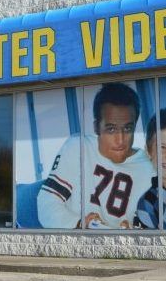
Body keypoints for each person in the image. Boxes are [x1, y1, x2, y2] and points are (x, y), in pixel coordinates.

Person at [37, 83, 153, 229]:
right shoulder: (78, 148)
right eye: (111, 129)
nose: (121, 140)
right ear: (96, 127)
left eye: (127, 128)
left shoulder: (149, 168)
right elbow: (47, 202)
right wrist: (79, 224)